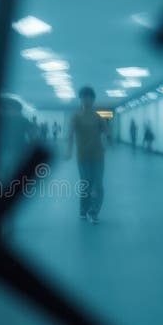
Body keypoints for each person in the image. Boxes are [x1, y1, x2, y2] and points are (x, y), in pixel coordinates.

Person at [66, 86, 110, 223]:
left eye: (90, 98)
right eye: (84, 98)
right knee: (86, 184)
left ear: (93, 99)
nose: (87, 100)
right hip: (83, 156)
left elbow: (107, 133)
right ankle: (83, 210)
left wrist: (107, 140)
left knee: (98, 184)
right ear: (80, 99)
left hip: (98, 155)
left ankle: (93, 212)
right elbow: (70, 135)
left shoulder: (98, 117)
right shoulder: (76, 116)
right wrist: (68, 151)